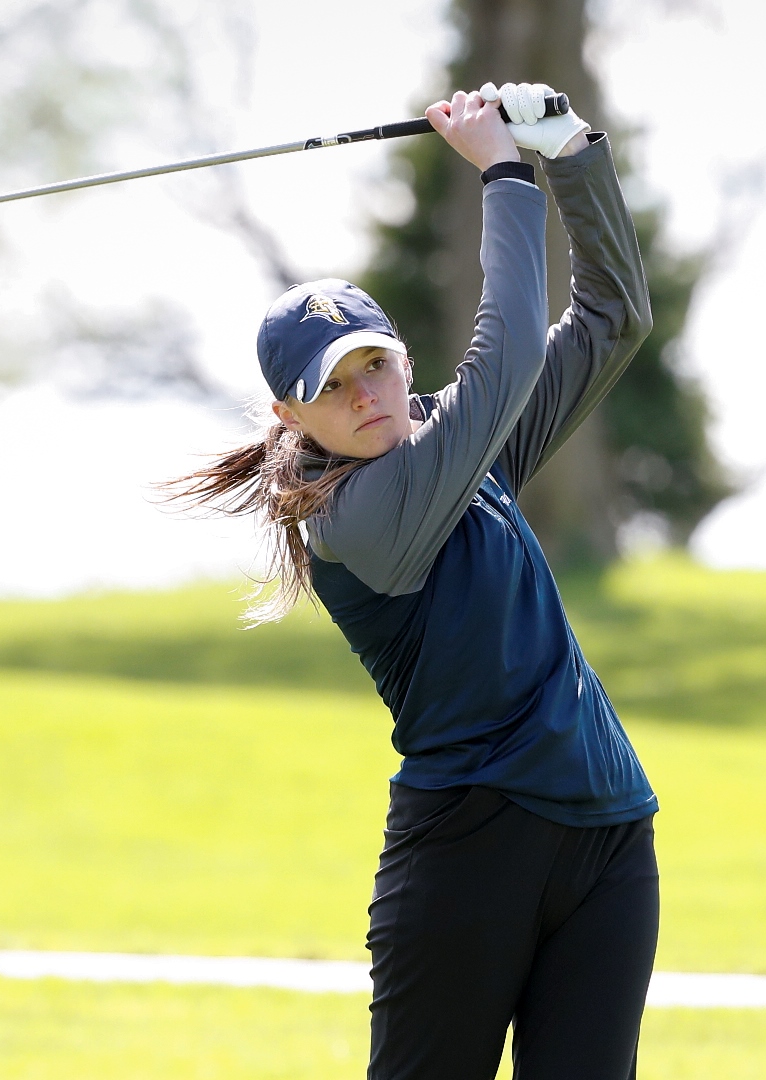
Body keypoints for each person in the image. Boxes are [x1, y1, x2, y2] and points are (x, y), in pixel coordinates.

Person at [165, 81, 657, 1080]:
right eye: (333, 388)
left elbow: (615, 316)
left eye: (374, 366)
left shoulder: (459, 449)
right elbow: (511, 347)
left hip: (607, 830)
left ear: (401, 358)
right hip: (470, 853)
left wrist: (570, 152)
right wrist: (504, 173)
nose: (366, 397)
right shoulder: (353, 521)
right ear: (291, 417)